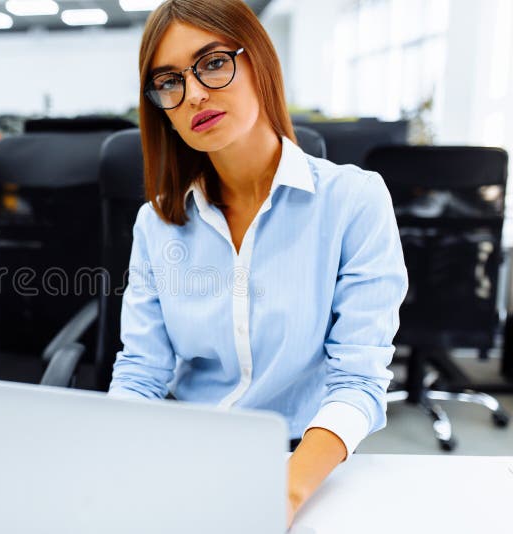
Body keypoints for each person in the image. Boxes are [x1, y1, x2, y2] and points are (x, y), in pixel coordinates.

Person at [107, 0, 408, 527]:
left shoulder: (354, 201)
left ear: (260, 62)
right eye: (169, 81)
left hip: (302, 456)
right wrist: (106, 459)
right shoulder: (156, 224)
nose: (195, 93)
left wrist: (285, 494)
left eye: (214, 63)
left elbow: (358, 380)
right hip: (183, 456)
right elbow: (143, 371)